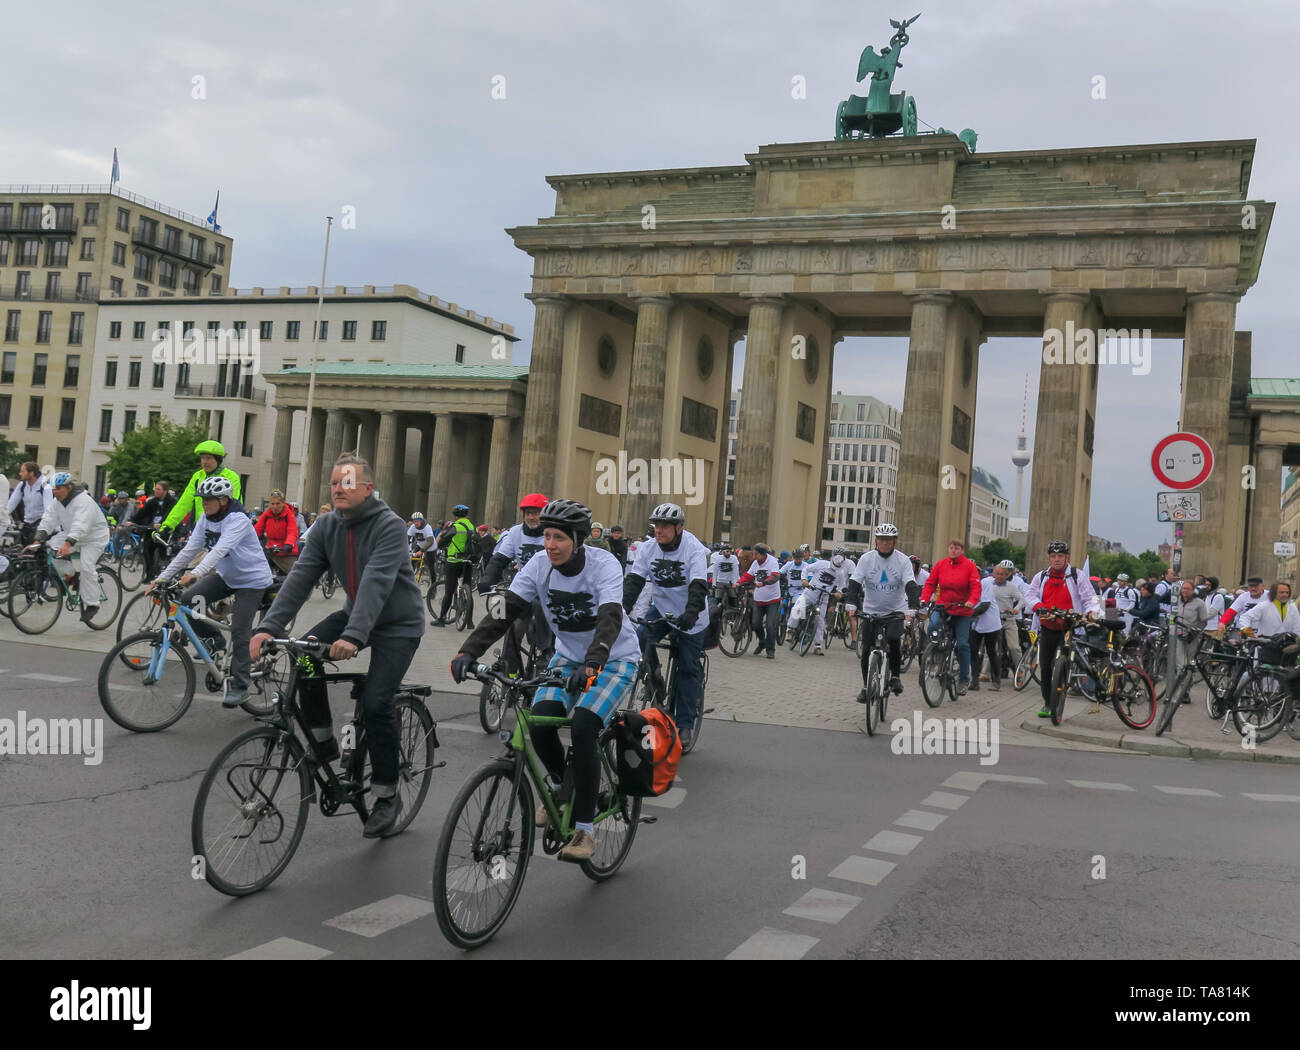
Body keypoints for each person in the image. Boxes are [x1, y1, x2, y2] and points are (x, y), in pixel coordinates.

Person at [450, 498, 639, 860]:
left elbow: (610, 617)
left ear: (578, 540)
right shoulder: (538, 565)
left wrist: (595, 663)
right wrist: (467, 651)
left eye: (559, 538)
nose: (549, 545)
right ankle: (559, 786)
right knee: (538, 725)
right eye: (546, 536)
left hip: (614, 658)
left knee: (584, 726)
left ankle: (584, 831)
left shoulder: (604, 565)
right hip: (568, 657)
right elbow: (505, 610)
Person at [251, 453, 424, 838]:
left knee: (377, 702)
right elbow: (300, 579)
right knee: (304, 656)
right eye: (333, 483)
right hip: (353, 616)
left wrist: (353, 637)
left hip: (397, 624)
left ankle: (385, 795)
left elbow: (377, 582)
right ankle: (325, 742)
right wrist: (267, 627)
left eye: (347, 483)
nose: (338, 489)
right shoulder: (327, 525)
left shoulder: (389, 526)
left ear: (366, 488)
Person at [147, 476, 271, 705]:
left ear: (223, 500)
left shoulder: (238, 519)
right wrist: (161, 578)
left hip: (252, 581)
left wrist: (197, 572)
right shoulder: (206, 518)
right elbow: (189, 549)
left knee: (240, 629)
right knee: (190, 599)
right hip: (227, 577)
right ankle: (214, 640)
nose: (203, 504)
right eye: (202, 499)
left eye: (208, 500)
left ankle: (241, 685)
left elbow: (220, 549)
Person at [623, 502, 710, 741]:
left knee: (687, 668)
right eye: (656, 526)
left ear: (678, 528)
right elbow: (635, 582)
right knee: (640, 637)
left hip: (692, 615)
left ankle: (684, 723)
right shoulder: (648, 548)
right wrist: (620, 609)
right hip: (662, 610)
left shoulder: (693, 548)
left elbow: (698, 584)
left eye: (664, 526)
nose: (658, 530)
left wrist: (691, 612)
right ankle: (655, 678)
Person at [477, 492, 555, 674]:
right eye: (528, 513)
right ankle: (509, 670)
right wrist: (487, 580)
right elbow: (499, 559)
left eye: (535, 512)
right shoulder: (514, 533)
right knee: (508, 622)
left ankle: (546, 653)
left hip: (549, 592)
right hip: (521, 590)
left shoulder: (553, 533)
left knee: (540, 607)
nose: (531, 517)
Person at [1023, 540, 1100, 718]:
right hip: (1047, 626)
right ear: (1049, 558)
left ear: (1067, 557)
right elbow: (1029, 594)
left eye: (1060, 556)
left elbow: (1090, 598)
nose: (1057, 560)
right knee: (1045, 667)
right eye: (1053, 556)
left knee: (1063, 663)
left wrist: (1090, 612)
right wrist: (1038, 606)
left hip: (1068, 627)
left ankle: (1062, 688)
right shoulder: (1041, 576)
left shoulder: (1076, 575)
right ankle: (1047, 703)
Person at [846, 523, 917, 699]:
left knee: (893, 639)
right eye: (882, 540)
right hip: (871, 611)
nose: (885, 543)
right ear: (876, 541)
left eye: (889, 540)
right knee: (866, 650)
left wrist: (913, 606)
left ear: (894, 542)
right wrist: (851, 602)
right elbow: (854, 583)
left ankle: (894, 677)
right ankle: (866, 687)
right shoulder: (866, 559)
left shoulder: (902, 560)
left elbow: (910, 584)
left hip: (895, 611)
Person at [29, 472, 109, 623]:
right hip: (72, 534)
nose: (55, 491)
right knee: (50, 547)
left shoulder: (83, 501)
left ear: (69, 487)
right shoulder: (57, 502)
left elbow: (81, 525)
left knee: (86, 566)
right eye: (53, 488)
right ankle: (72, 574)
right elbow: (48, 520)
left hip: (94, 538)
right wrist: (37, 539)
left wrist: (67, 544)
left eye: (58, 488)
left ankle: (93, 604)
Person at [919, 539, 981, 695]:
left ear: (962, 550)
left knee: (962, 645)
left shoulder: (969, 566)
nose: (953, 550)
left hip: (962, 610)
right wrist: (925, 598)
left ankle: (964, 679)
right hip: (943, 606)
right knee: (933, 627)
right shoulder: (941, 564)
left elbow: (976, 586)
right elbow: (930, 583)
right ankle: (935, 655)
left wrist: (971, 601)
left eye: (957, 548)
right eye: (951, 547)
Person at [159, 439, 242, 540]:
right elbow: (184, 503)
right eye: (202, 458)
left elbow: (231, 505)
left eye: (209, 458)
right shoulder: (198, 477)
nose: (204, 461)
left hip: (224, 532)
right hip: (201, 530)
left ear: (218, 459)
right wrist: (167, 526)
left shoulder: (231, 477)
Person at [431, 503, 476, 627]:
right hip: (468, 562)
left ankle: (441, 619)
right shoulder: (472, 526)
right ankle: (470, 622)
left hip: (453, 562)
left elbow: (441, 543)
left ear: (455, 515)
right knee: (468, 590)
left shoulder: (455, 526)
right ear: (466, 515)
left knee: (449, 591)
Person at [736, 542, 782, 658]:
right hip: (759, 599)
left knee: (770, 626)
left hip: (773, 599)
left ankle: (770, 650)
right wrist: (738, 582)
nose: (754, 556)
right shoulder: (755, 563)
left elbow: (775, 576)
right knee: (756, 624)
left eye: (756, 554)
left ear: (762, 554)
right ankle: (762, 642)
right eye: (753, 554)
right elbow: (749, 575)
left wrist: (764, 582)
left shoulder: (772, 561)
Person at [791, 549, 839, 656]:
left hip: (824, 598)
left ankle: (818, 646)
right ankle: (791, 629)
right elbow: (806, 568)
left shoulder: (840, 572)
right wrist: (804, 580)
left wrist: (839, 592)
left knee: (821, 621)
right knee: (798, 608)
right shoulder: (821, 564)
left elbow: (842, 585)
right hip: (810, 592)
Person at [132, 481, 177, 580]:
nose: (155, 491)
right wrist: (131, 521)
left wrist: (162, 524)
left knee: (163, 552)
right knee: (147, 551)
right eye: (155, 489)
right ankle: (149, 575)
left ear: (165, 491)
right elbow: (142, 513)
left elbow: (169, 515)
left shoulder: (172, 502)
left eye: (158, 489)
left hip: (165, 530)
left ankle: (164, 573)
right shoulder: (152, 501)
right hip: (152, 529)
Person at [253, 489, 300, 575]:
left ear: (283, 503)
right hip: (270, 550)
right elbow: (257, 529)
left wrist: (289, 544)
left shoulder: (289, 514)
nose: (275, 507)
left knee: (296, 576)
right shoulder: (266, 514)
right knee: (257, 572)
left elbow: (292, 531)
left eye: (278, 503)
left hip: (286, 551)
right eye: (272, 504)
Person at [8, 461, 52, 545]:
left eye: (22, 471)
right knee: (21, 551)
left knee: (38, 553)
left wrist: (44, 529)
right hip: (27, 523)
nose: (20, 473)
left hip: (41, 524)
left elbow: (48, 509)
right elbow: (11, 504)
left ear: (31, 473)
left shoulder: (45, 486)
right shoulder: (22, 485)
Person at [709, 544, 740, 612]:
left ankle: (733, 614)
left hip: (730, 582)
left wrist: (735, 582)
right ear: (722, 552)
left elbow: (735, 571)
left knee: (733, 598)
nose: (727, 553)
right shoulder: (718, 558)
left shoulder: (734, 558)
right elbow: (715, 571)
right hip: (720, 581)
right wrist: (714, 583)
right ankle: (717, 614)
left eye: (728, 551)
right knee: (718, 599)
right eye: (724, 552)